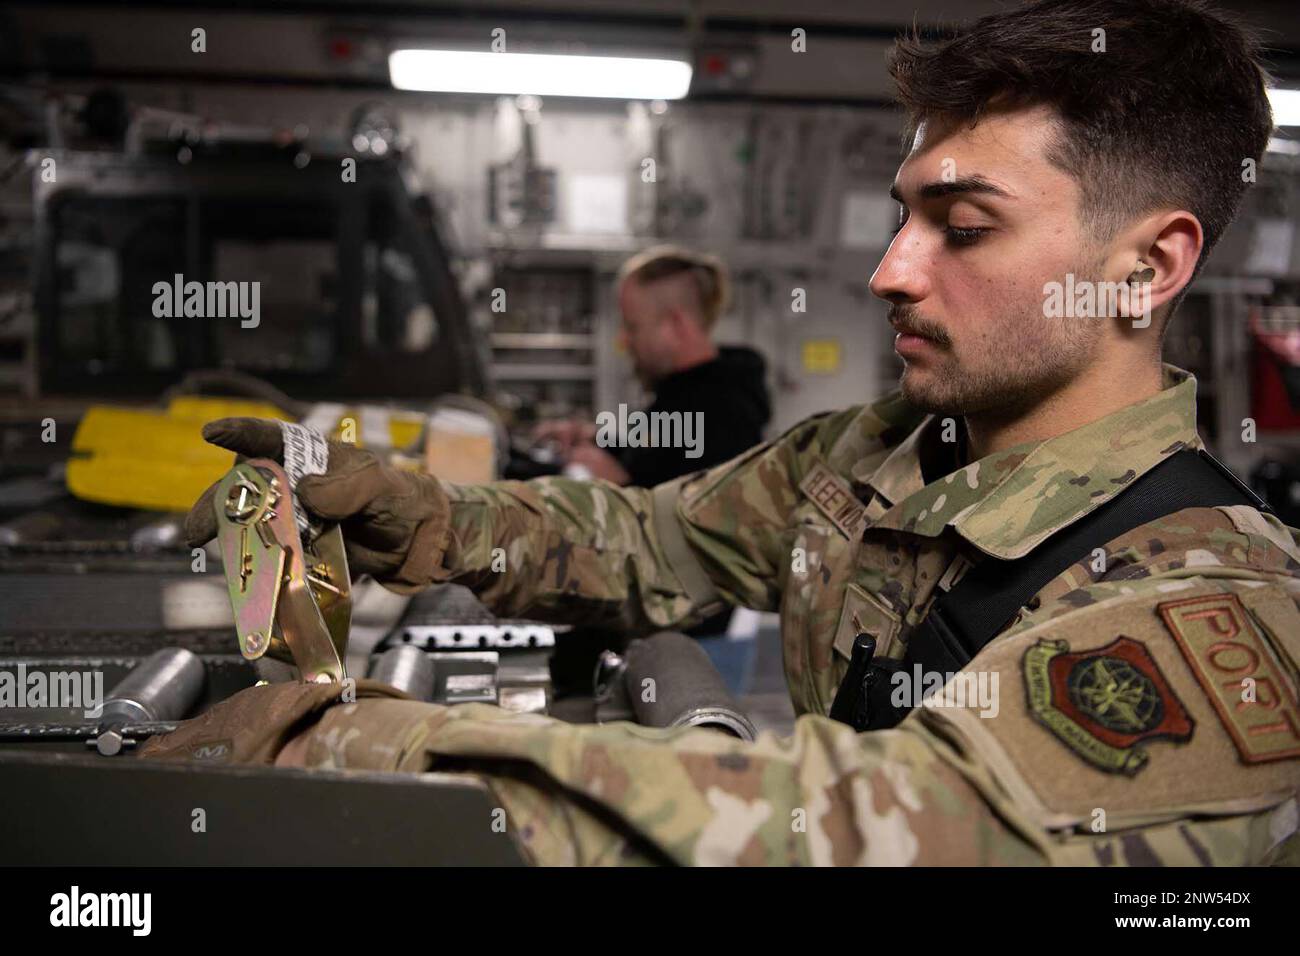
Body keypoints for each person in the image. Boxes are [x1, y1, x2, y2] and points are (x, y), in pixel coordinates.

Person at [153, 0, 1299, 865]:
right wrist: (419, 514)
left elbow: (860, 828)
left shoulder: (1222, 602)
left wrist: (351, 745)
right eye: (904, 215)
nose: (887, 269)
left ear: (1143, 268)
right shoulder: (871, 456)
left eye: (961, 226)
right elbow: (648, 543)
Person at [534, 245, 771, 488]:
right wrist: (594, 439)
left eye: (633, 326)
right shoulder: (681, 393)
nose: (623, 340)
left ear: (675, 325)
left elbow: (700, 516)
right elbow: (656, 459)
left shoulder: (726, 415)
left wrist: (622, 486)